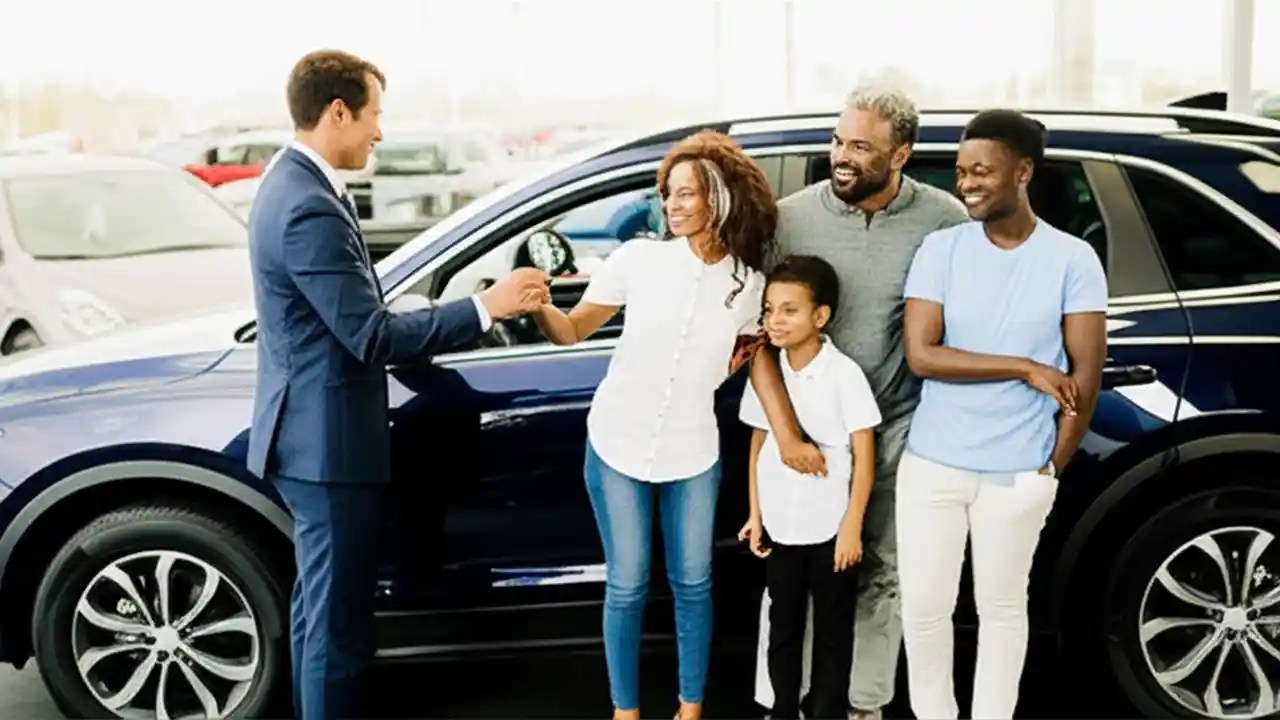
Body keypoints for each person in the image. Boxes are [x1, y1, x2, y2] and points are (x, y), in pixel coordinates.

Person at [245, 49, 548, 720]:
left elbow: (341, 314)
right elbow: (371, 336)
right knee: (338, 626)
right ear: (339, 112)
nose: (381, 130)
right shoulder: (307, 206)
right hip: (325, 446)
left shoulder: (292, 182)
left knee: (319, 616)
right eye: (376, 113)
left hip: (311, 435)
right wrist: (485, 309)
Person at [531, 130, 777, 720]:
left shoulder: (750, 286)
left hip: (694, 450)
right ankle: (626, 712)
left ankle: (689, 709)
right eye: (668, 193)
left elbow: (755, 359)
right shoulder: (637, 260)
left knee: (693, 583)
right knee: (629, 584)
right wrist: (538, 302)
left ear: (721, 196)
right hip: (617, 443)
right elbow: (571, 330)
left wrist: (785, 430)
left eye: (688, 193)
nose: (673, 205)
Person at [746, 86, 969, 719]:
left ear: (901, 154)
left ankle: (861, 705)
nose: (841, 157)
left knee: (880, 574)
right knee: (791, 579)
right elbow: (752, 336)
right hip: (803, 441)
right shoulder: (786, 220)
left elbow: (969, 318)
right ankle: (780, 703)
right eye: (838, 141)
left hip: (897, 431)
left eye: (861, 147)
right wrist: (787, 435)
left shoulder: (944, 220)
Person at [897, 109, 1107, 719]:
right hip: (934, 465)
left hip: (1017, 473)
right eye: (962, 172)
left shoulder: (1072, 259)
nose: (967, 184)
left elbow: (1084, 380)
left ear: (1023, 171)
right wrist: (1023, 366)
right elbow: (923, 355)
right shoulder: (941, 249)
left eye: (982, 171)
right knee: (926, 609)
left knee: (1002, 609)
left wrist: (1051, 467)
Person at [737, 255, 881, 719]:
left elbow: (864, 456)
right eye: (769, 310)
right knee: (784, 625)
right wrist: (756, 515)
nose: (775, 321)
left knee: (834, 630)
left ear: (820, 317)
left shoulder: (844, 374)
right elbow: (758, 446)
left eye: (789, 310)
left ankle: (827, 710)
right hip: (782, 525)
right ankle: (782, 709)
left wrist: (852, 527)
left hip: (831, 528)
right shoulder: (768, 372)